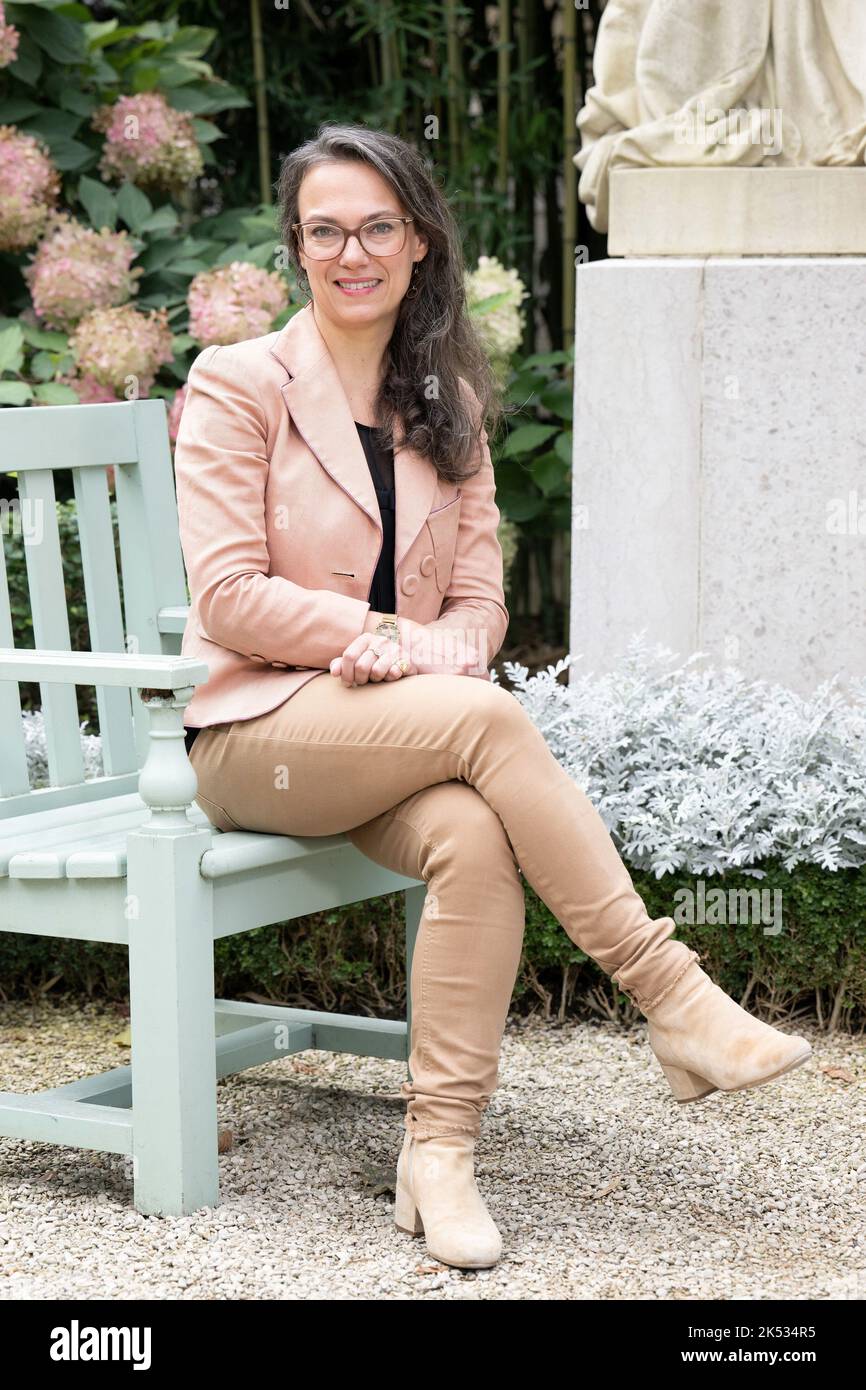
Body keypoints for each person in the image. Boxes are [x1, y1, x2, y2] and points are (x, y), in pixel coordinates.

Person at [173, 122, 811, 1272]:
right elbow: (226, 595)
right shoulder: (238, 384)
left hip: (386, 734)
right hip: (255, 740)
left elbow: (477, 607)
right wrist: (383, 637)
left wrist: (424, 650)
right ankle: (672, 995)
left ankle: (440, 1151)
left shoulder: (444, 398)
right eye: (324, 230)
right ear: (296, 247)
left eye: (376, 226)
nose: (350, 251)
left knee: (472, 833)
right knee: (487, 716)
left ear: (417, 242)